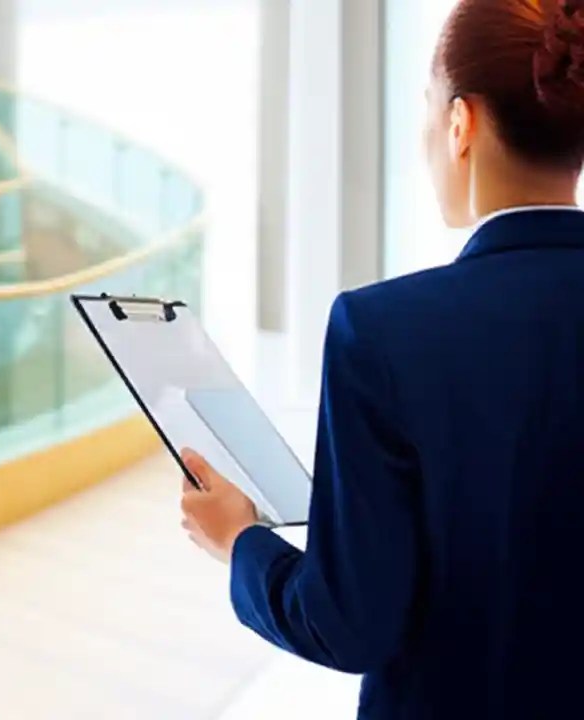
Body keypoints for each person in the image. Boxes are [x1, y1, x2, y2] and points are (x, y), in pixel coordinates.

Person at [178, 1, 584, 717]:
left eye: (427, 108)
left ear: (459, 124)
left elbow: (347, 623)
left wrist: (240, 543)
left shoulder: (383, 332)